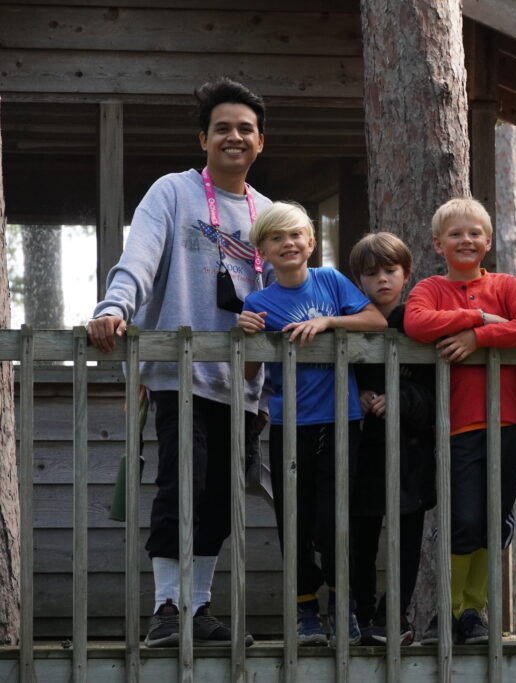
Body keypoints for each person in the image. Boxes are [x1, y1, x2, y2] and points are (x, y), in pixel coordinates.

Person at [87, 77, 270, 648]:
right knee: (180, 486)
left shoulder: (270, 213)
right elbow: (139, 257)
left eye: (245, 128)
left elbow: (293, 283)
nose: (233, 137)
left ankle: (198, 608)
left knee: (219, 496)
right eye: (222, 129)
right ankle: (167, 608)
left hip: (242, 383)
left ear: (260, 142)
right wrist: (115, 306)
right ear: (204, 139)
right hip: (179, 375)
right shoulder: (172, 192)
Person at [404, 197, 516, 644]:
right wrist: (477, 317)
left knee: (492, 518)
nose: (465, 240)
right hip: (456, 424)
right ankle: (444, 613)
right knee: (463, 518)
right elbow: (417, 324)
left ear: (487, 241)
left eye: (474, 233)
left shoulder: (507, 285)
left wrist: (477, 337)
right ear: (438, 244)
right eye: (455, 234)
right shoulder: (429, 289)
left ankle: (473, 613)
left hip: (505, 421)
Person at [239, 202, 387, 646]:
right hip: (290, 426)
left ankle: (343, 609)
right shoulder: (258, 301)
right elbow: (250, 375)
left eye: (295, 236)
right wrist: (247, 337)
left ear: (311, 243)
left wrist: (328, 322)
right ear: (262, 250)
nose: (288, 244)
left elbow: (377, 320)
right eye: (276, 238)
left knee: (333, 519)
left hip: (343, 422)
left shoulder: (330, 281)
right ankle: (305, 611)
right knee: (294, 522)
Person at [347, 232, 436, 645]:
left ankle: (394, 615)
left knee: (406, 537)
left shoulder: (417, 323)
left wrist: (397, 399)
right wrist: (359, 395)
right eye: (371, 273)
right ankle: (361, 614)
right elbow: (338, 375)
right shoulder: (350, 321)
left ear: (406, 274)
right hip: (362, 453)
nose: (382, 280)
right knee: (360, 537)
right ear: (358, 280)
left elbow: (435, 391)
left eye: (390, 271)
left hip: (411, 454)